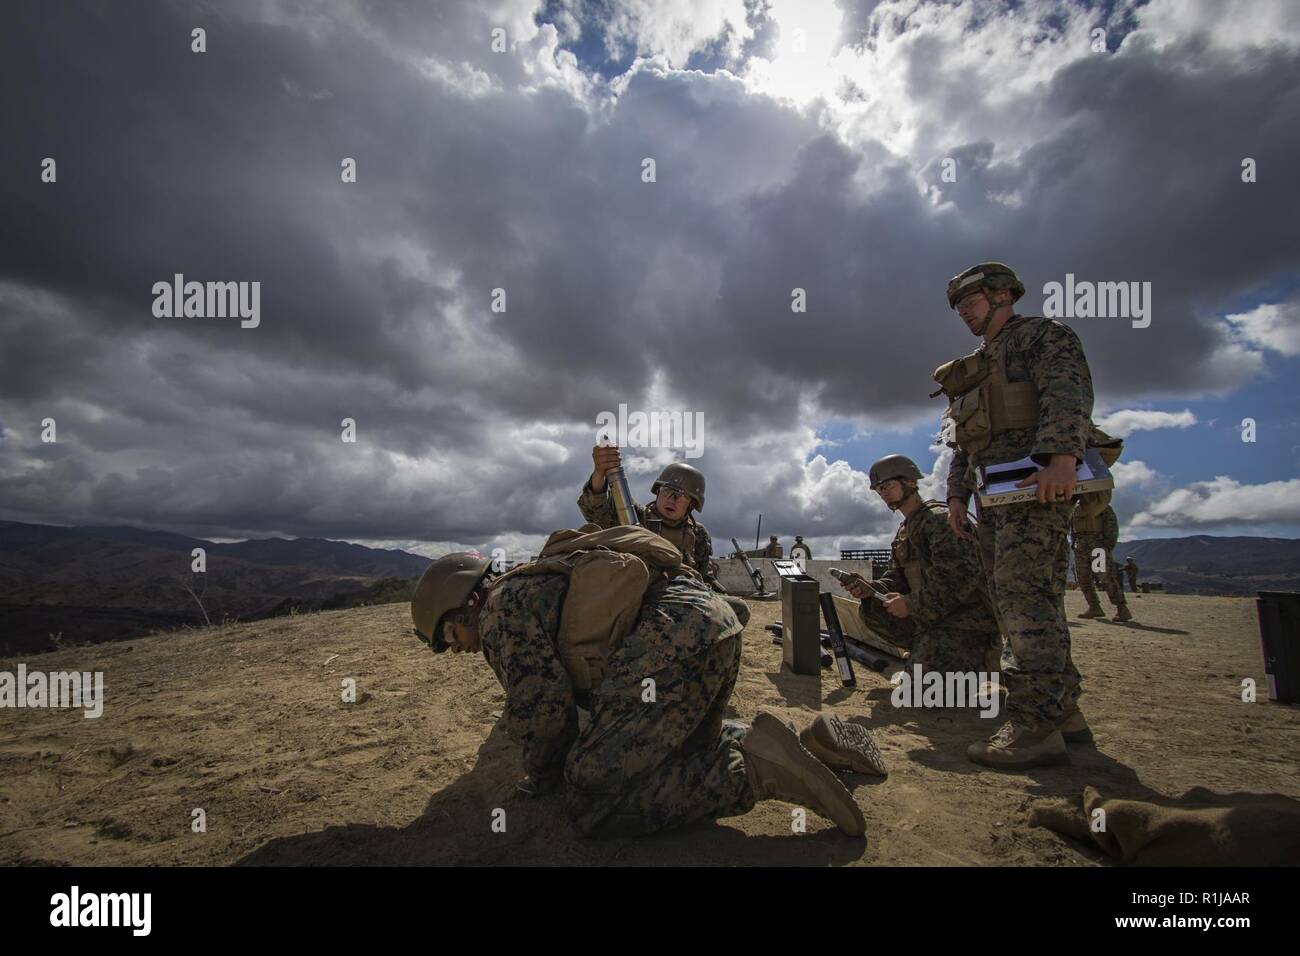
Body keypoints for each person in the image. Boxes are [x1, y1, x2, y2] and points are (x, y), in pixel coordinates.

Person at [409, 542, 878, 838]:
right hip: (711, 627)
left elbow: (544, 713)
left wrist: (545, 774)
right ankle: (806, 744)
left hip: (671, 644)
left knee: (590, 794)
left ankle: (757, 772)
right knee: (676, 752)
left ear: (466, 603)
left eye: (450, 637)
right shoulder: (533, 581)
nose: (458, 650)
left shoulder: (498, 614)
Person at [935, 262, 1094, 768]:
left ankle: (1035, 726)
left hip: (1034, 482)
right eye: (958, 304)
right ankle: (1062, 712)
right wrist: (957, 496)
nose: (964, 309)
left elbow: (1067, 393)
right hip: (993, 495)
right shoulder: (976, 366)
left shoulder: (1041, 336)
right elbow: (965, 438)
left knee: (1025, 598)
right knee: (1015, 599)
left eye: (972, 298)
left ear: (1004, 294)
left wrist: (1062, 458)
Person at [841, 454, 1000, 675]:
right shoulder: (905, 531)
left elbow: (958, 580)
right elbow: (897, 577)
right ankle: (924, 648)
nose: (884, 493)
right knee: (872, 609)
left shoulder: (940, 521)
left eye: (888, 485)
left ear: (910, 482)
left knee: (922, 692)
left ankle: (978, 660)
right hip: (933, 618)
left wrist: (911, 605)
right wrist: (871, 588)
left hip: (966, 622)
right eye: (879, 489)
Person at [579, 446, 722, 592]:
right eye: (667, 491)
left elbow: (705, 576)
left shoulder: (698, 533)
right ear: (658, 492)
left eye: (681, 496)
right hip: (635, 591)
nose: (671, 500)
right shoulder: (633, 515)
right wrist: (599, 472)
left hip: (680, 595)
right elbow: (596, 511)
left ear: (692, 504)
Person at [1072, 500, 1133, 622]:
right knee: (1083, 578)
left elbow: (1112, 528)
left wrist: (1106, 546)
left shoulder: (1102, 507)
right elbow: (1072, 528)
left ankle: (1121, 608)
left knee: (1105, 577)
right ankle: (1094, 607)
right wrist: (1073, 543)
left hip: (1096, 547)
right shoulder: (1075, 509)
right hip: (1080, 547)